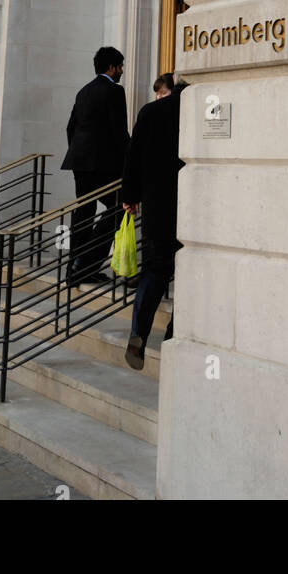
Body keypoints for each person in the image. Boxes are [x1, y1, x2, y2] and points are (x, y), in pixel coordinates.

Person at [121, 78, 188, 370]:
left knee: (154, 269)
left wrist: (129, 195)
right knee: (189, 270)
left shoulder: (150, 112)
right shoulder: (197, 111)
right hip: (192, 205)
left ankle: (138, 332)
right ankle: (174, 332)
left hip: (156, 205)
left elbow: (132, 157)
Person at [61, 47, 129, 282]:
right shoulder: (115, 91)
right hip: (102, 164)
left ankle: (75, 268)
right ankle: (85, 263)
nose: (121, 71)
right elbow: (119, 133)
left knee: (84, 212)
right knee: (121, 206)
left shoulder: (84, 91)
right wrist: (128, 164)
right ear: (111, 67)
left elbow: (71, 127)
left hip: (79, 162)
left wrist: (80, 154)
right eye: (120, 66)